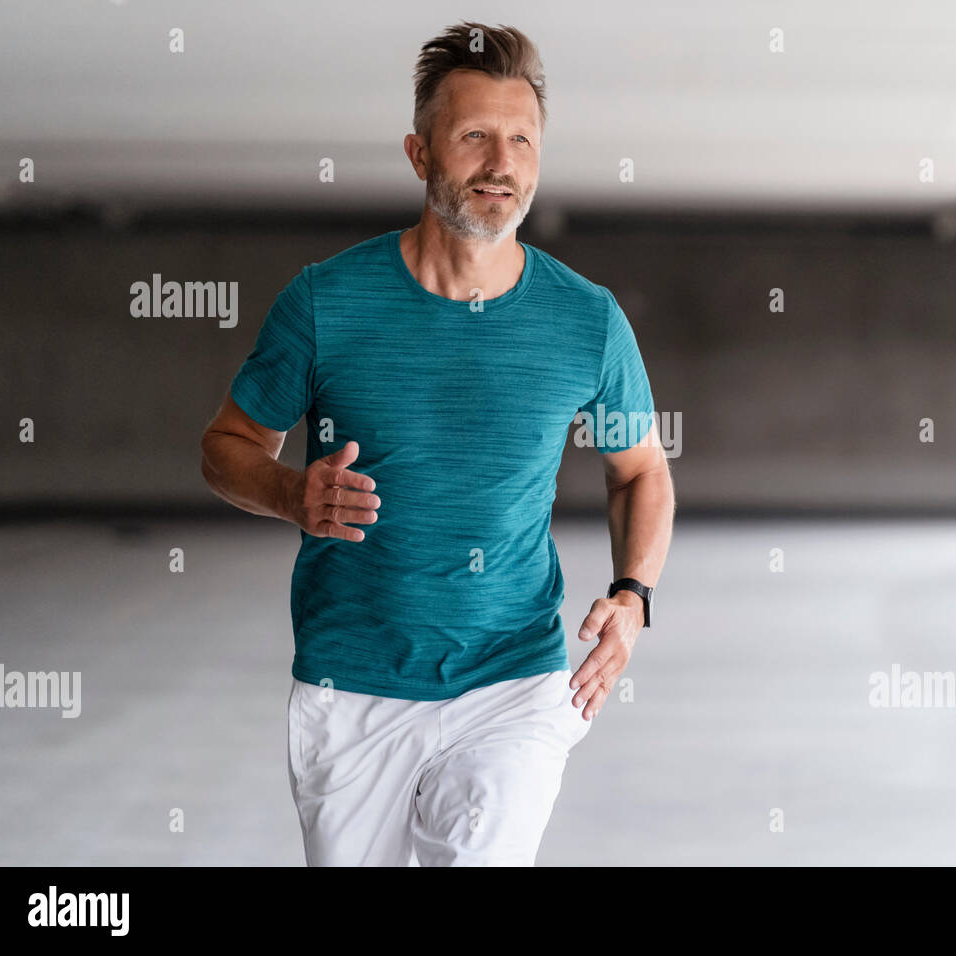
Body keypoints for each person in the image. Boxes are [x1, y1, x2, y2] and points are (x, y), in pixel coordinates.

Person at [199, 20, 675, 866]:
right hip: (352, 686)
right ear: (421, 155)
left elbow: (639, 472)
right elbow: (227, 444)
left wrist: (632, 600)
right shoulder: (325, 303)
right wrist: (286, 492)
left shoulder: (586, 322)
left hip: (516, 679)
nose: (502, 163)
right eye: (475, 137)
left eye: (522, 139)